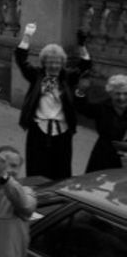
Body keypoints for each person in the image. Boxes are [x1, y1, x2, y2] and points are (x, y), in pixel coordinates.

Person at [14, 24, 89, 180]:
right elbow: (21, 59)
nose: (54, 66)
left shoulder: (67, 77)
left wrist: (82, 45)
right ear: (44, 63)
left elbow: (85, 65)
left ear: (62, 63)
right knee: (36, 171)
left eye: (57, 62)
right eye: (50, 62)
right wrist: (27, 35)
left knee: (61, 172)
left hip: (62, 131)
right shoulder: (36, 76)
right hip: (38, 131)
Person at [75, 73, 127, 171]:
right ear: (111, 93)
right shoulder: (102, 107)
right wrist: (81, 91)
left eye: (125, 93)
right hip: (102, 155)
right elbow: (82, 108)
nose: (122, 98)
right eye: (117, 94)